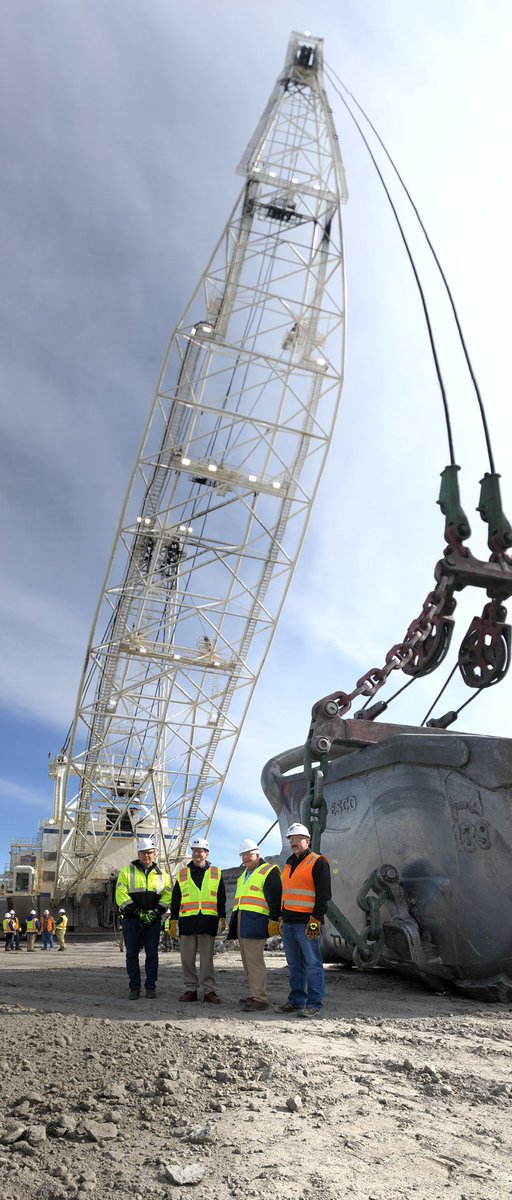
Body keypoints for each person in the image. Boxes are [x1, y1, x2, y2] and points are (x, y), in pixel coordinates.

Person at [279, 822, 331, 1018]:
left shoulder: (318, 862)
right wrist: (282, 916)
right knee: (295, 965)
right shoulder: (289, 863)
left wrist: (315, 919)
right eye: (291, 840)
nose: (294, 842)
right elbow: (287, 893)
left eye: (298, 839)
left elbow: (324, 894)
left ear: (307, 841)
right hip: (290, 922)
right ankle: (296, 1001)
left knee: (312, 963)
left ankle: (314, 1003)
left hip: (308, 922)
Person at [170, 836, 226, 1004]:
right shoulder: (182, 874)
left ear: (206, 854)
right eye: (194, 851)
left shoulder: (216, 873)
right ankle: (190, 989)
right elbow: (176, 899)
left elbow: (221, 897)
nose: (197, 854)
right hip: (187, 923)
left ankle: (209, 991)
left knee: (207, 960)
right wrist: (174, 920)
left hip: (207, 922)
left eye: (200, 851)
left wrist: (222, 917)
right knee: (187, 959)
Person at [228, 838, 282, 1011]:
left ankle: (260, 999)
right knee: (247, 962)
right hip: (243, 922)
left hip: (256, 922)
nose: (245, 858)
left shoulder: (268, 871)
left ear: (257, 854)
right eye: (243, 855)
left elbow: (275, 898)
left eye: (248, 854)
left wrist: (274, 919)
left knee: (255, 962)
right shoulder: (244, 875)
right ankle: (254, 995)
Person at [115, 835, 172, 1000]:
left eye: (149, 853)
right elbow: (120, 894)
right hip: (132, 919)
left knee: (152, 954)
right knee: (132, 954)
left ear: (154, 854)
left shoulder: (163, 875)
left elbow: (167, 895)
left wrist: (155, 912)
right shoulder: (127, 872)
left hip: (153, 920)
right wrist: (138, 911)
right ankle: (134, 987)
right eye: (143, 853)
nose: (146, 856)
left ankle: (150, 987)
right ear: (138, 854)